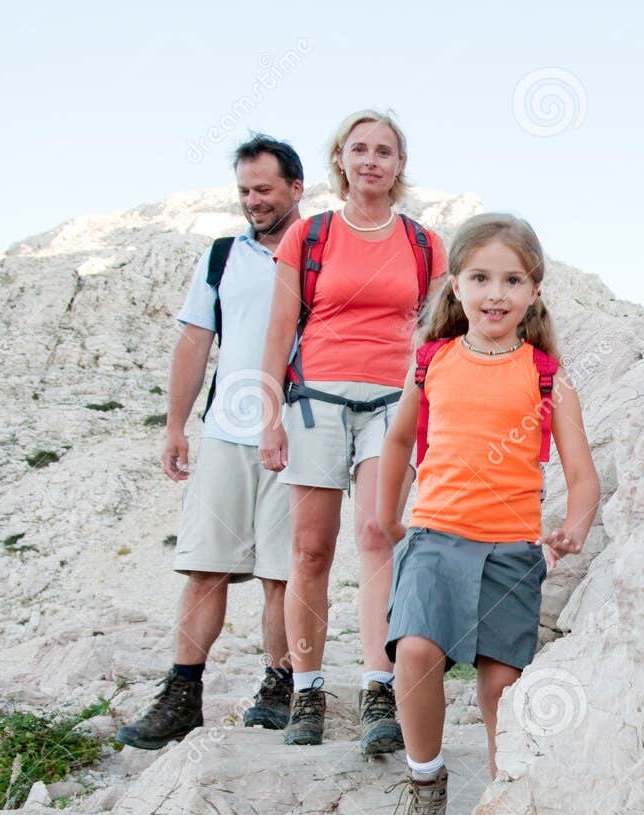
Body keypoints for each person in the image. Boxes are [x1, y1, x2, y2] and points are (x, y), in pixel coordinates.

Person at [377, 213, 600, 815]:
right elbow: (396, 440)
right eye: (481, 277)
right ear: (455, 283)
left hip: (510, 551)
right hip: (435, 537)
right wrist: (387, 513)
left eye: (512, 279)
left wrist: (575, 526)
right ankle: (426, 781)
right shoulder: (432, 363)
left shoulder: (549, 378)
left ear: (534, 291)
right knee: (415, 652)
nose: (495, 293)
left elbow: (582, 477)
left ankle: (506, 808)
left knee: (502, 685)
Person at [258, 110, 446, 753]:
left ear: (399, 165)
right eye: (359, 149)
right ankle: (306, 688)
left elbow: (438, 334)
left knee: (377, 537)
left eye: (385, 151)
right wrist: (269, 420)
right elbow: (279, 330)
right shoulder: (309, 236)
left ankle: (377, 685)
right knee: (311, 550)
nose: (371, 160)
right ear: (340, 158)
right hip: (314, 400)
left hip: (393, 403)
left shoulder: (424, 244)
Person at [118, 135, 305, 750]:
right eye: (245, 191)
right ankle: (182, 696)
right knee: (204, 569)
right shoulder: (222, 256)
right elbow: (195, 342)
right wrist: (175, 426)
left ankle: (281, 690)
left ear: (295, 189)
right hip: (226, 430)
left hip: (301, 432)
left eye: (264, 190)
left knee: (284, 573)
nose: (252, 201)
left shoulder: (322, 249)